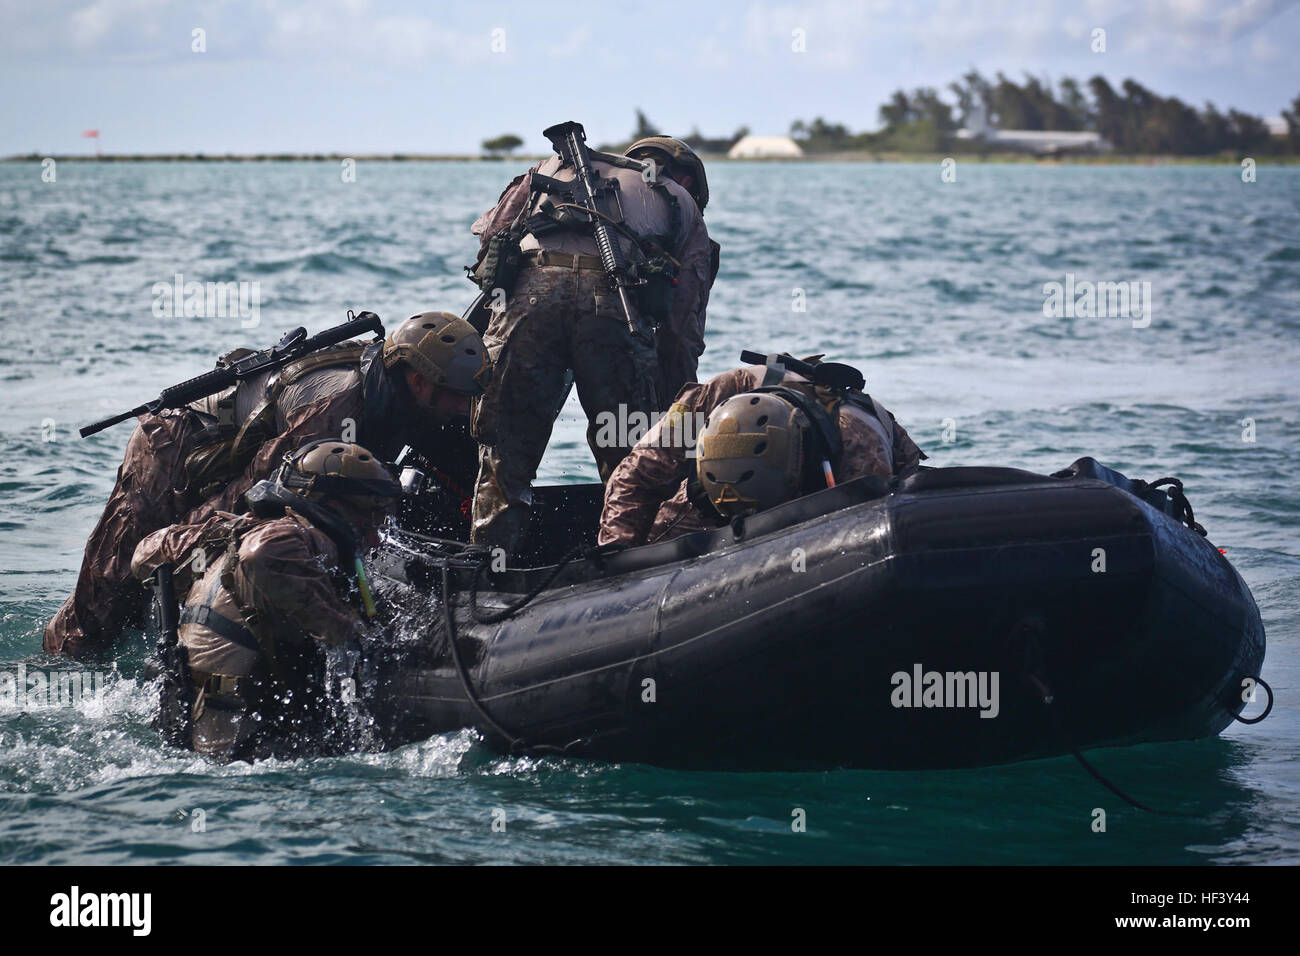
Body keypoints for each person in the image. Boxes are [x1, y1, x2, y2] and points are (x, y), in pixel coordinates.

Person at [45, 311, 489, 658]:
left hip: (239, 448)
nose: (462, 406)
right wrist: (181, 536)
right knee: (111, 584)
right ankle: (62, 661)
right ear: (419, 380)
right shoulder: (335, 411)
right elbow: (253, 492)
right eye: (457, 394)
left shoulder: (399, 395)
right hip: (171, 449)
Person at [468, 134, 718, 555]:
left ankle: (489, 563)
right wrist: (678, 406)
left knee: (504, 448)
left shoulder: (547, 170)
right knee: (629, 448)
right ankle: (632, 556)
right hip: (613, 312)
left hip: (528, 301)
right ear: (688, 177)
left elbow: (490, 238)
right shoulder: (680, 201)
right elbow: (682, 327)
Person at [131, 439, 401, 761]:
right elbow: (263, 554)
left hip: (194, 724)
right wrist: (347, 631)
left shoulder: (237, 532)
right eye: (366, 519)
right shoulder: (298, 537)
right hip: (244, 742)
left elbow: (143, 554)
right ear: (328, 504)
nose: (373, 537)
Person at [599, 356, 926, 547]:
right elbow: (633, 478)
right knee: (667, 524)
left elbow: (861, 539)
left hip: (823, 496)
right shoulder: (715, 397)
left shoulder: (858, 446)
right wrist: (618, 562)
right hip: (704, 501)